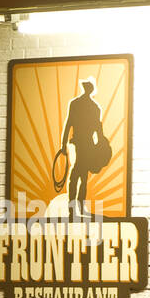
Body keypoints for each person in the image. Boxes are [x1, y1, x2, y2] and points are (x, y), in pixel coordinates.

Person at [59, 79, 111, 213]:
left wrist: (63, 144)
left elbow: (69, 124)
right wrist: (63, 144)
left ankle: (76, 208)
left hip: (83, 143)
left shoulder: (79, 104)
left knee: (79, 175)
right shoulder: (91, 107)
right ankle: (76, 208)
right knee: (79, 174)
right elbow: (70, 123)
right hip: (82, 144)